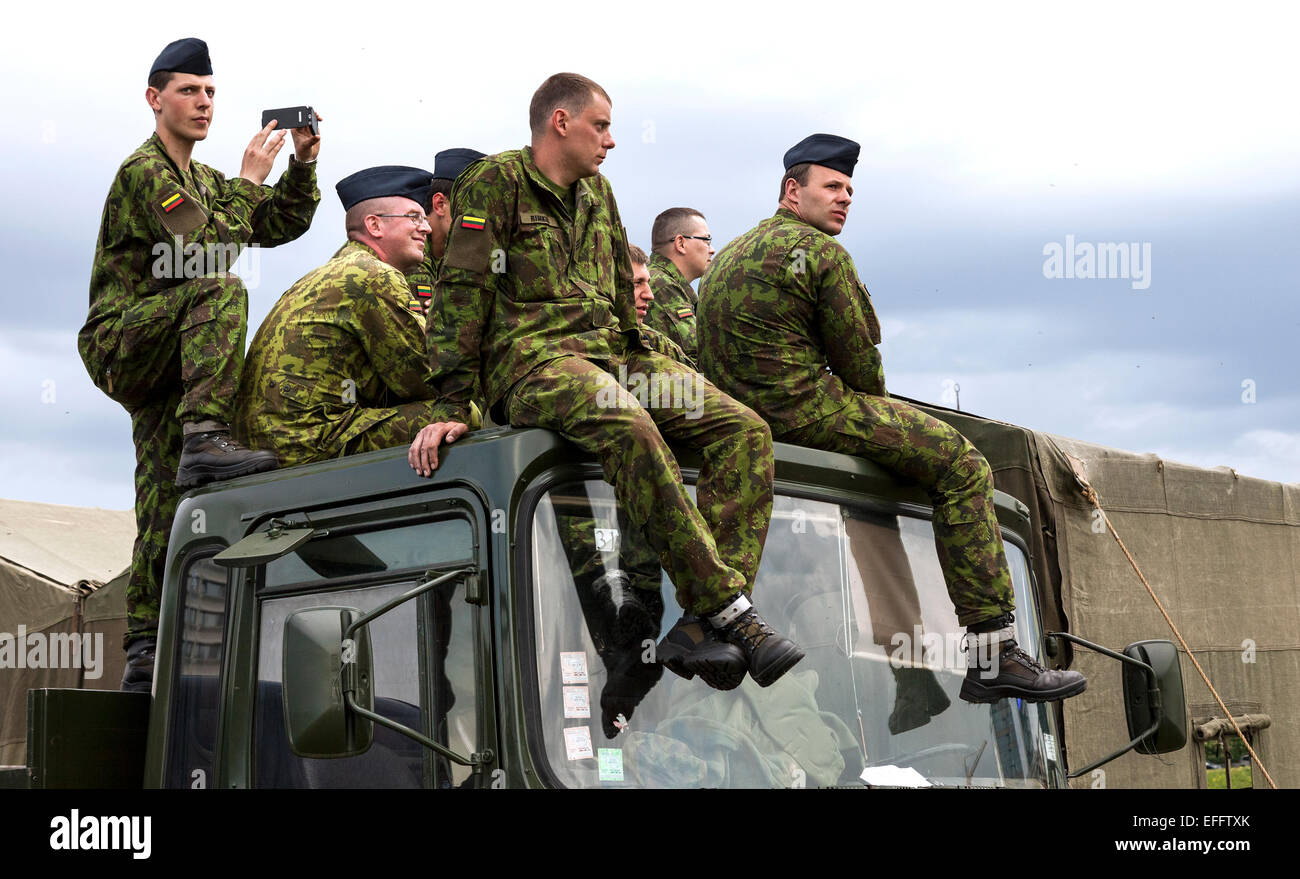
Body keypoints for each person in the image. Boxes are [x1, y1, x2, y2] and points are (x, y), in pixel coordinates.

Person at [409, 72, 802, 691]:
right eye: (602, 126)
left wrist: (652, 359)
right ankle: (734, 612)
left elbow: (622, 291)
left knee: (743, 430)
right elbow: (463, 291)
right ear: (560, 123)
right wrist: (455, 400)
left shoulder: (600, 192)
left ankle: (702, 624)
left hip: (613, 356)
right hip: (534, 363)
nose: (611, 141)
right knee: (628, 424)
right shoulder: (497, 183)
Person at [697, 133, 1087, 703]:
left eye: (850, 190)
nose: (844, 198)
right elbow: (861, 371)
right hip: (805, 411)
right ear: (791, 190)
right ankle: (995, 654)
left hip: (743, 427)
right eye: (831, 186)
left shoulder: (725, 256)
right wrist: (877, 415)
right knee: (961, 465)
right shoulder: (823, 255)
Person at [78, 37, 321, 691]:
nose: (203, 103)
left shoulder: (204, 181)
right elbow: (206, 258)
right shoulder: (147, 172)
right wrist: (247, 183)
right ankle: (206, 435)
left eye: (210, 92)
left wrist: (300, 166)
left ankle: (144, 649)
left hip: (176, 352)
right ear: (155, 99)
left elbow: (284, 224)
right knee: (224, 286)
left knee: (165, 496)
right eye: (189, 90)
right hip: (123, 343)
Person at [235, 166, 479, 466]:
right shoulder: (373, 276)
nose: (426, 227)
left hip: (274, 440)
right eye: (414, 218)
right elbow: (433, 380)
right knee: (462, 413)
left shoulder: (338, 268)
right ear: (375, 225)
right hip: (305, 444)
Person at [405, 148, 486, 315]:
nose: (482, 219)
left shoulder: (472, 253)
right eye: (473, 207)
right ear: (440, 204)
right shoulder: (402, 249)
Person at [644, 207, 713, 360]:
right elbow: (696, 355)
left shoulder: (658, 279)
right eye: (707, 240)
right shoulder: (662, 286)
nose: (712, 250)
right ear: (680, 243)